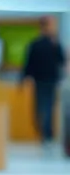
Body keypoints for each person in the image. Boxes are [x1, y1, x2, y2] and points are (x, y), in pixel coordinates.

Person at [21, 16, 66, 147]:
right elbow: (61, 60)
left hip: (41, 80)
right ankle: (47, 134)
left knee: (42, 107)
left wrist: (24, 77)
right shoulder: (54, 44)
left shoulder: (36, 44)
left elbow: (28, 64)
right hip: (49, 80)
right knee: (48, 107)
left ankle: (45, 134)